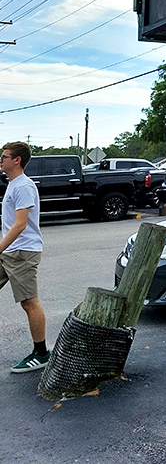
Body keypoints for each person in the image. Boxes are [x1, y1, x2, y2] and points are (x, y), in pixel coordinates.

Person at [0, 141, 50, 373]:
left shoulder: (23, 187)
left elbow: (20, 225)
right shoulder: (12, 184)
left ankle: (41, 353)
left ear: (16, 160)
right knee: (28, 302)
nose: (1, 160)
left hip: (22, 252)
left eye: (4, 156)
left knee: (29, 302)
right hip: (9, 250)